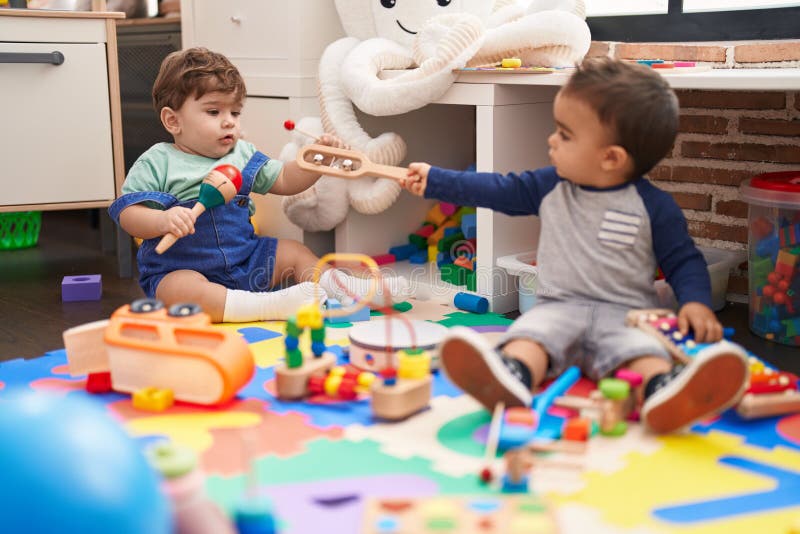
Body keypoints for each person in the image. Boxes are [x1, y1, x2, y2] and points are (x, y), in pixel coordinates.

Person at [401, 57, 748, 434]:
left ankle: (663, 390)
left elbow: (684, 260)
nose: (551, 140)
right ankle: (510, 375)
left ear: (610, 158)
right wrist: (437, 180)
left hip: (624, 315)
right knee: (529, 337)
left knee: (642, 352)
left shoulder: (655, 207)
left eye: (564, 135)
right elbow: (496, 189)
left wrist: (696, 302)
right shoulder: (549, 186)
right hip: (557, 307)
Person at [109, 47, 407, 323]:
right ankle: (267, 305)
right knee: (178, 289)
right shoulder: (157, 161)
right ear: (173, 121)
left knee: (294, 252)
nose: (229, 121)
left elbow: (285, 180)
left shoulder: (242, 153)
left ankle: (345, 288)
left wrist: (315, 162)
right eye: (214, 112)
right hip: (183, 269)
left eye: (235, 112)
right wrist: (162, 220)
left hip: (248, 262)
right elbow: (128, 215)